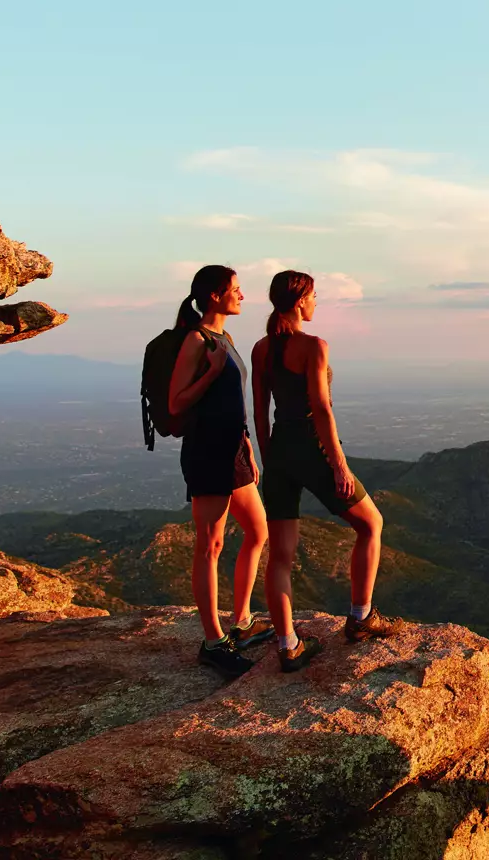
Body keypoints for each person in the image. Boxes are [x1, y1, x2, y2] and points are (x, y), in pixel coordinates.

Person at [252, 270, 392, 673]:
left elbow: (261, 410)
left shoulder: (262, 348)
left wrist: (269, 457)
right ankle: (361, 616)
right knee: (371, 524)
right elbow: (322, 408)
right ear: (299, 302)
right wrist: (339, 464)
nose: (316, 303)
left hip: (279, 451)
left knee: (279, 555)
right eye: (314, 297)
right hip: (313, 450)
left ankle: (288, 644)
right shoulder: (313, 345)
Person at [167, 265, 274, 677]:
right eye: (236, 290)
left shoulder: (225, 338)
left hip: (234, 452)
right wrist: (211, 372)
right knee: (209, 546)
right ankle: (214, 642)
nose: (242, 296)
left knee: (258, 531)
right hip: (208, 453)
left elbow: (232, 400)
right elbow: (177, 403)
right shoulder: (196, 340)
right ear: (214, 296)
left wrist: (246, 442)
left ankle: (243, 622)